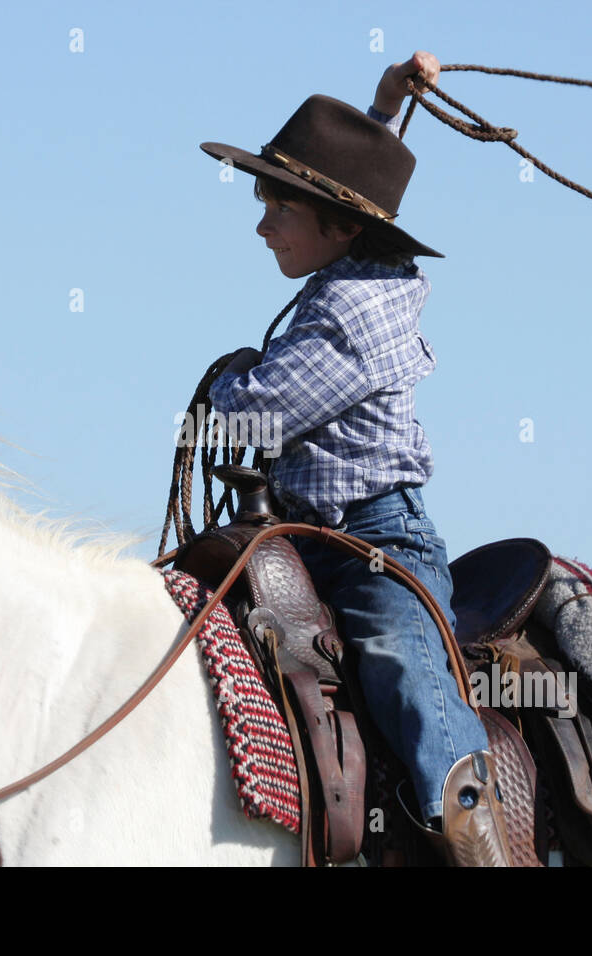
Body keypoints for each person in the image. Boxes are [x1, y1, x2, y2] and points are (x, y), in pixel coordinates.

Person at [201, 53, 514, 865]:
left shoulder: (348, 316)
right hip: (311, 536)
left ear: (338, 228)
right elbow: (360, 184)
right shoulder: (357, 270)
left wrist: (229, 380)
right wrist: (382, 107)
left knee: (401, 666)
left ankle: (474, 830)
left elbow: (248, 422)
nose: (262, 223)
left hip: (376, 549)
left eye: (277, 204)